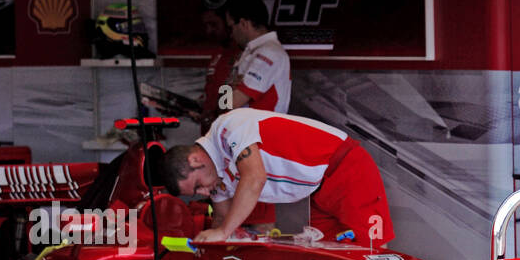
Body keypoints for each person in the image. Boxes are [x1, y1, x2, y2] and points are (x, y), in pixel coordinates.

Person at [161, 107, 393, 247]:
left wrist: (223, 232)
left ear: (195, 161)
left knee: (372, 252)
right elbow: (223, 223)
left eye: (198, 186)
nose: (203, 193)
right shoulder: (215, 178)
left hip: (345, 168)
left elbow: (254, 178)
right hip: (317, 194)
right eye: (196, 193)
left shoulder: (227, 127)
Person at [223, 0, 291, 113]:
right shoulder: (252, 51)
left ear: (244, 24)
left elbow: (230, 102)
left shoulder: (269, 52)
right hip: (246, 128)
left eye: (231, 27)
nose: (231, 34)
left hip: (259, 130)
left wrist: (230, 88)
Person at [199, 8, 239, 133]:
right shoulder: (218, 53)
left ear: (228, 22)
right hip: (209, 135)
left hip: (229, 134)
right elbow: (211, 92)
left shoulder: (242, 55)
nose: (209, 30)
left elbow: (232, 96)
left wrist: (215, 113)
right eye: (206, 25)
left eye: (214, 24)